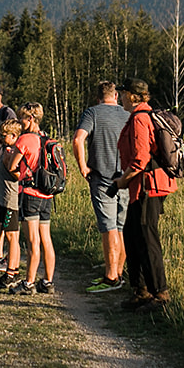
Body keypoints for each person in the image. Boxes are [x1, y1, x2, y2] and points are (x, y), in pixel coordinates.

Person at [113, 77, 175, 313]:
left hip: (149, 186)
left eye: (123, 93)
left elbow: (140, 160)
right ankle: (141, 291)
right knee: (132, 235)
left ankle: (160, 294)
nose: (120, 97)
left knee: (147, 238)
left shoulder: (140, 119)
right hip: (143, 186)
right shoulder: (141, 116)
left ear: (131, 95)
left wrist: (121, 182)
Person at [74, 81, 129, 293]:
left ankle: (110, 276)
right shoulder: (127, 114)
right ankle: (119, 272)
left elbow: (78, 139)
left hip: (102, 177)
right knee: (121, 227)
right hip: (125, 177)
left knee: (108, 228)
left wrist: (83, 167)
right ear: (116, 96)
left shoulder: (92, 113)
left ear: (98, 98)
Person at [6, 102, 57, 295]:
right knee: (46, 239)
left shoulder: (25, 139)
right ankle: (48, 281)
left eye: (22, 118)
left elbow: (12, 166)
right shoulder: (46, 138)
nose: (20, 122)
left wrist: (10, 159)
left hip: (30, 194)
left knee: (32, 241)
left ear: (30, 119)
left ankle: (28, 283)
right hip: (47, 194)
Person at [0, 118, 24, 287]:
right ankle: (11, 268)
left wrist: (10, 165)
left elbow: (17, 174)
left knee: (12, 237)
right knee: (6, 233)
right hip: (4, 199)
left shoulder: (11, 152)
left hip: (11, 199)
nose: (1, 138)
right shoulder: (7, 150)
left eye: (4, 135)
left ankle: (12, 272)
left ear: (13, 135)